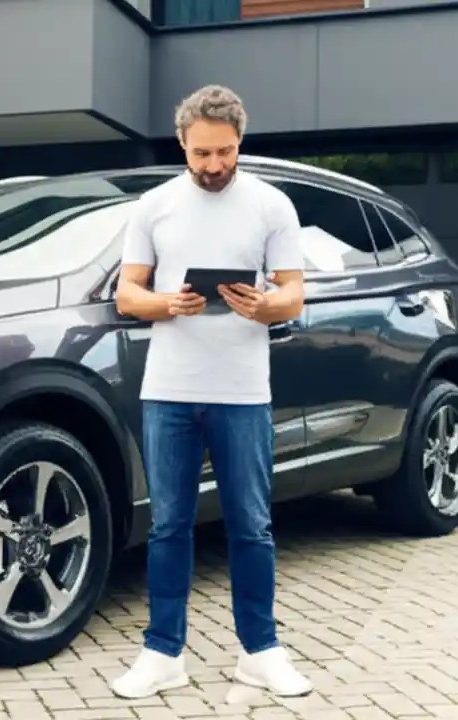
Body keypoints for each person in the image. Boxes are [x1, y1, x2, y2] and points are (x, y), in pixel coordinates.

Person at [108, 84, 314, 699]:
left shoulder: (272, 206)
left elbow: (293, 294)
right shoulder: (153, 207)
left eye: (225, 152)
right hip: (168, 390)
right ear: (182, 144)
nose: (214, 165)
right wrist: (168, 303)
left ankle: (261, 651)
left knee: (251, 526)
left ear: (240, 143)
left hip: (243, 391)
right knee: (169, 526)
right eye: (201, 154)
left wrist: (264, 306)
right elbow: (127, 295)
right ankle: (162, 653)